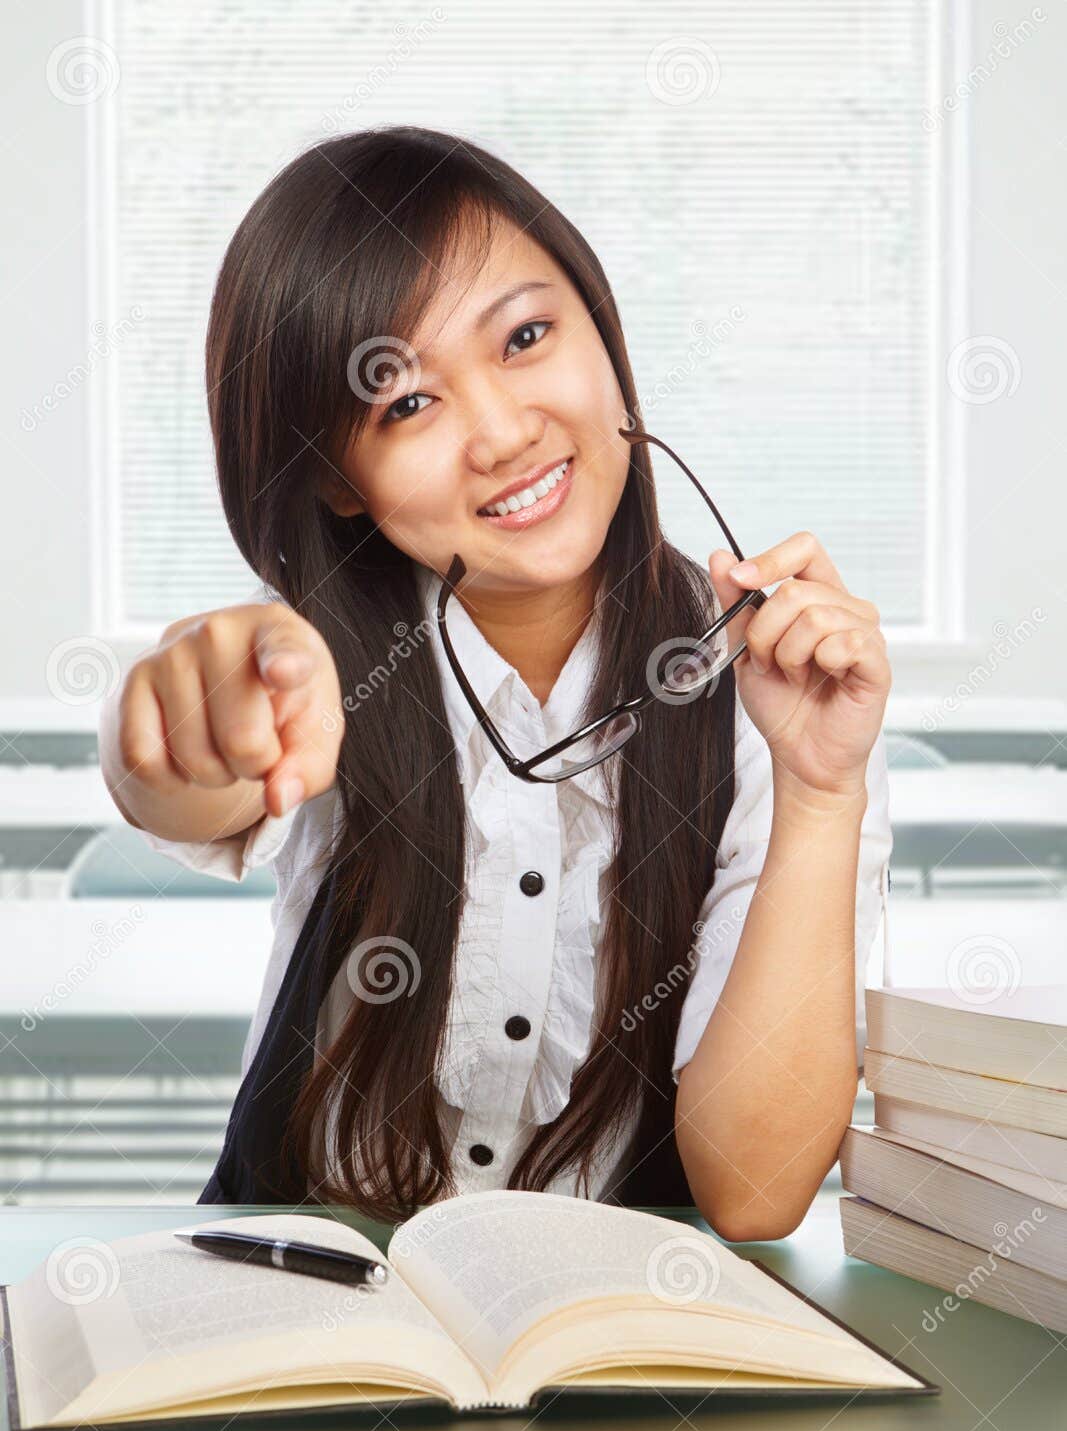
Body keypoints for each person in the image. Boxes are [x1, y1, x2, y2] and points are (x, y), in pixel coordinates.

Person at [98, 126, 892, 1236]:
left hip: (615, 1359)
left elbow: (754, 1196)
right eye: (406, 403)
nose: (504, 432)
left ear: (601, 332)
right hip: (312, 1324)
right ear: (335, 479)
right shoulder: (318, 672)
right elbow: (194, 779)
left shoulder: (771, 694)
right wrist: (182, 717)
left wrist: (819, 797)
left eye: (524, 336)